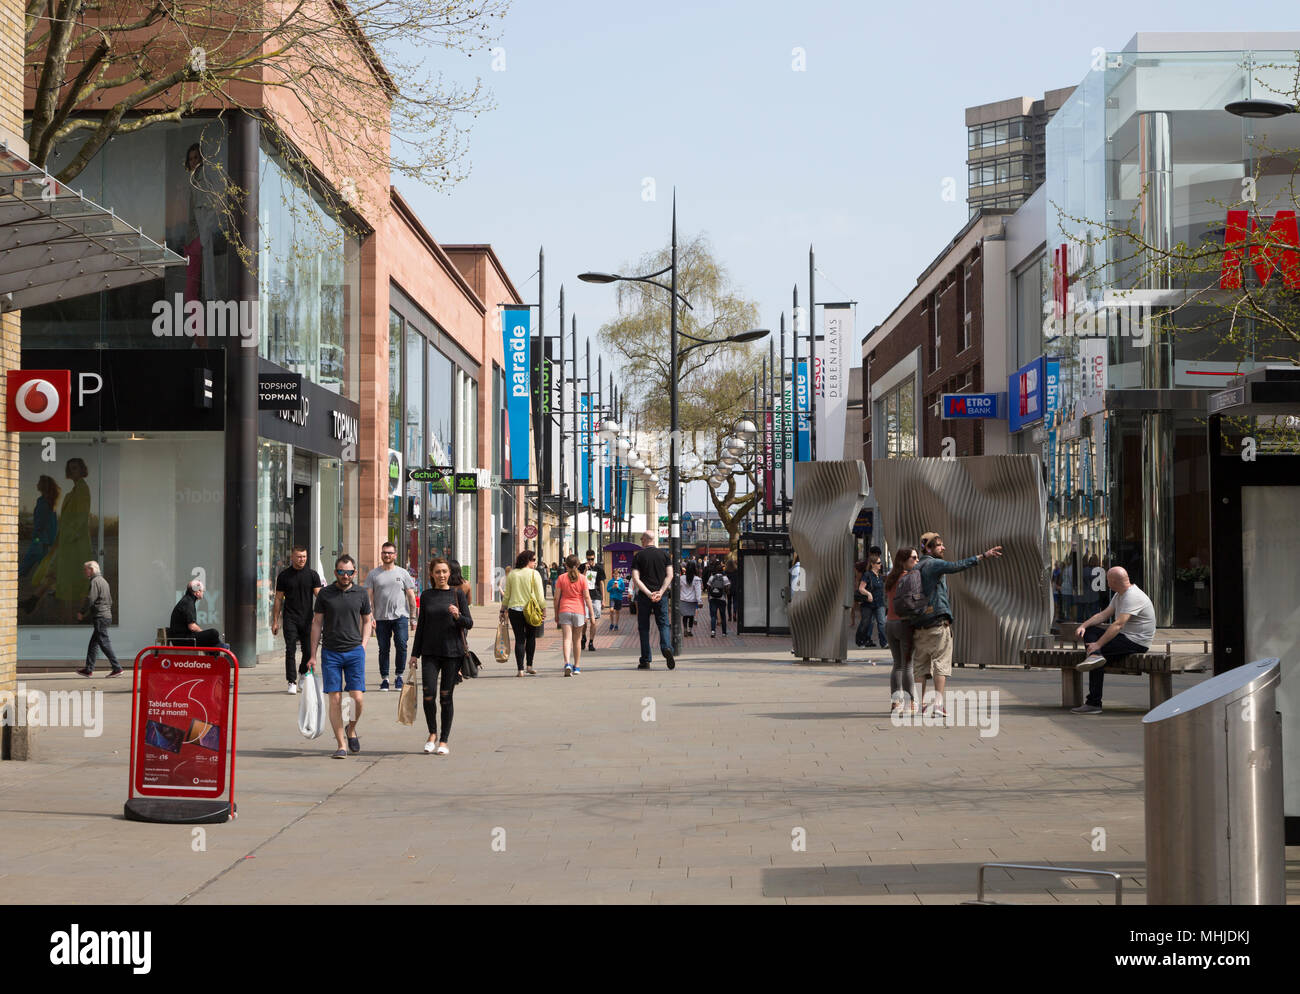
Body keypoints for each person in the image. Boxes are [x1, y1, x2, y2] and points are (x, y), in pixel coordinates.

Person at [911, 535, 1004, 717]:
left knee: (920, 667)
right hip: (937, 623)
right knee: (940, 664)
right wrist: (983, 555)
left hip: (919, 624)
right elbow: (956, 566)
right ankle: (937, 705)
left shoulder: (916, 567)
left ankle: (919, 704)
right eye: (939, 546)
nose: (943, 548)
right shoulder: (933, 564)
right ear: (928, 549)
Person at [307, 554, 373, 759]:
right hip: (331, 652)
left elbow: (367, 621)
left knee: (357, 699)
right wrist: (313, 655)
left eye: (349, 572)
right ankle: (341, 744)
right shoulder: (326, 594)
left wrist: (363, 645)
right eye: (342, 572)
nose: (346, 575)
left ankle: (351, 728)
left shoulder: (361, 593)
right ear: (335, 572)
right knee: (335, 699)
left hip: (354, 651)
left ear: (354, 573)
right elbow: (317, 623)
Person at [1071, 566, 1156, 715]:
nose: (1105, 582)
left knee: (1097, 655)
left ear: (1113, 581)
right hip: (1124, 637)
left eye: (1107, 579)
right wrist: (1083, 626)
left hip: (1136, 642)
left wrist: (1098, 644)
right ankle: (1095, 656)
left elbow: (1118, 624)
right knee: (1091, 633)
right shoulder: (1120, 595)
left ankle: (1094, 703)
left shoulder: (1133, 596)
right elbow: (1103, 615)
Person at [411, 557, 473, 755]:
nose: (442, 575)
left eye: (444, 572)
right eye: (438, 572)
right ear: (432, 574)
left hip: (452, 653)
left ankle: (444, 740)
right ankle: (432, 734)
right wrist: (414, 654)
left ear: (449, 573)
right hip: (429, 652)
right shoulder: (427, 595)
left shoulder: (457, 594)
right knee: (428, 695)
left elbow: (469, 622)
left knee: (446, 697)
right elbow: (421, 627)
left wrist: (457, 616)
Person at [362, 542, 418, 692]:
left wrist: (413, 618)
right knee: (383, 648)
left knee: (401, 645)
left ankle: (399, 676)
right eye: (384, 552)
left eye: (389, 553)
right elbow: (368, 598)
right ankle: (385, 679)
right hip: (381, 618)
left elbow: (411, 597)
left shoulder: (403, 573)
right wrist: (370, 617)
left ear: (395, 555)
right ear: (381, 554)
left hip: (400, 617)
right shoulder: (374, 574)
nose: (386, 555)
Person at [273, 545, 322, 695]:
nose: (302, 559)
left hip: (307, 619)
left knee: (308, 651)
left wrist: (324, 615)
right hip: (290, 618)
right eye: (299, 556)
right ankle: (291, 681)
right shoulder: (284, 576)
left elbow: (319, 597)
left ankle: (302, 673)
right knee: (290, 649)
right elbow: (278, 599)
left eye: (304, 557)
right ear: (292, 557)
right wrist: (275, 621)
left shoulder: (313, 575)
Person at [53, 458, 93, 616]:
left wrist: (70, 537)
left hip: (76, 543)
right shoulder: (76, 489)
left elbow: (82, 516)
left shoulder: (82, 488)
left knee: (79, 580)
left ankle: (82, 614)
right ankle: (79, 614)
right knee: (73, 579)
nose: (72, 471)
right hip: (70, 542)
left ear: (82, 469)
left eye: (75, 468)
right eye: (70, 469)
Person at [632, 530, 675, 670]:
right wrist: (661, 592)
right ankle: (667, 648)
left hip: (645, 597)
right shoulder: (664, 555)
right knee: (663, 624)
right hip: (661, 596)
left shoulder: (638, 556)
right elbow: (670, 575)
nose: (641, 541)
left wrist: (649, 593)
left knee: (644, 627)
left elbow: (636, 578)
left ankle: (645, 659)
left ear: (645, 540)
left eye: (641, 539)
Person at [883, 548, 919, 713]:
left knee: (897, 665)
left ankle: (895, 703)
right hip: (904, 624)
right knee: (908, 666)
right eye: (913, 558)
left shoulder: (891, 578)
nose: (916, 560)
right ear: (904, 560)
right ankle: (911, 702)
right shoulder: (908, 578)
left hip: (889, 623)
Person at [500, 549, 545, 676]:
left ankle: (520, 669)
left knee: (519, 639)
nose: (535, 563)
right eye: (534, 560)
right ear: (527, 560)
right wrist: (543, 609)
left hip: (514, 610)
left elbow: (507, 595)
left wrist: (502, 610)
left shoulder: (512, 574)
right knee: (531, 637)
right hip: (531, 610)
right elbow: (540, 595)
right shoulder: (534, 574)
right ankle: (529, 666)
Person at [75, 561, 121, 677]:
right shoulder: (104, 581)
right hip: (105, 616)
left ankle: (117, 668)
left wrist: (82, 612)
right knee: (93, 644)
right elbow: (110, 600)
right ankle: (88, 669)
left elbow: (91, 598)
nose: (84, 572)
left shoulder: (95, 581)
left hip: (100, 617)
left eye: (86, 569)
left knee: (104, 643)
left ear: (92, 569)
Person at [554, 554, 595, 676]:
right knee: (577, 640)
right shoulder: (582, 578)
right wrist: (592, 615)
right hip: (579, 611)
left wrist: (556, 614)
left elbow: (556, 598)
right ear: (578, 565)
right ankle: (576, 666)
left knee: (566, 639)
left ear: (566, 565)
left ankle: (567, 663)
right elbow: (587, 597)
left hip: (564, 610)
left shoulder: (561, 578)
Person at [168, 579, 229, 649]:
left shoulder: (187, 600)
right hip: (183, 640)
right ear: (197, 592)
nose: (203, 593)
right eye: (202, 591)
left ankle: (219, 646)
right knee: (214, 633)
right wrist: (202, 634)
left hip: (183, 638)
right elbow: (192, 626)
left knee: (212, 637)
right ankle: (220, 647)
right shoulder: (188, 602)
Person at [19, 475, 59, 580]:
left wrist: (35, 535)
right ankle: (53, 584)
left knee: (30, 558)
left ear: (43, 486)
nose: (37, 484)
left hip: (39, 538)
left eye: (39, 482)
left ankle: (13, 577)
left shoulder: (43, 502)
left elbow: (41, 522)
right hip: (44, 538)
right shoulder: (49, 501)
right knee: (43, 562)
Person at [856, 555, 887, 649]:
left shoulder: (880, 576)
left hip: (879, 603)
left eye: (880, 562)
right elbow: (861, 588)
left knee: (882, 622)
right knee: (866, 622)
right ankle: (860, 641)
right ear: (872, 564)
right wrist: (869, 594)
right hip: (868, 604)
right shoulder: (867, 575)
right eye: (878, 563)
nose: (880, 564)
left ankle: (884, 643)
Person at [582, 549, 606, 652]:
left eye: (591, 559)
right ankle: (583, 637)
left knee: (593, 621)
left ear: (594, 558)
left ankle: (591, 642)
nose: (590, 561)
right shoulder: (582, 567)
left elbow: (601, 583)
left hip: (596, 596)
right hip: (584, 596)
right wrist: (585, 571)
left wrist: (603, 599)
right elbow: (580, 580)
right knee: (584, 620)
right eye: (588, 559)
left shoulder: (599, 568)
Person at [678, 562, 703, 636]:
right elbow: (698, 591)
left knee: (685, 616)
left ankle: (685, 629)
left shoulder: (681, 578)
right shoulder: (697, 579)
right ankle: (689, 630)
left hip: (683, 599)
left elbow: (678, 588)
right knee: (691, 616)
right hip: (692, 601)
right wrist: (699, 601)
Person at [706, 563, 730, 637]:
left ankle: (713, 631)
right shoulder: (725, 578)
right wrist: (725, 592)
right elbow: (728, 588)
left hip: (713, 599)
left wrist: (709, 596)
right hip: (722, 599)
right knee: (723, 616)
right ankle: (724, 633)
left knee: (713, 616)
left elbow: (708, 587)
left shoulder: (712, 577)